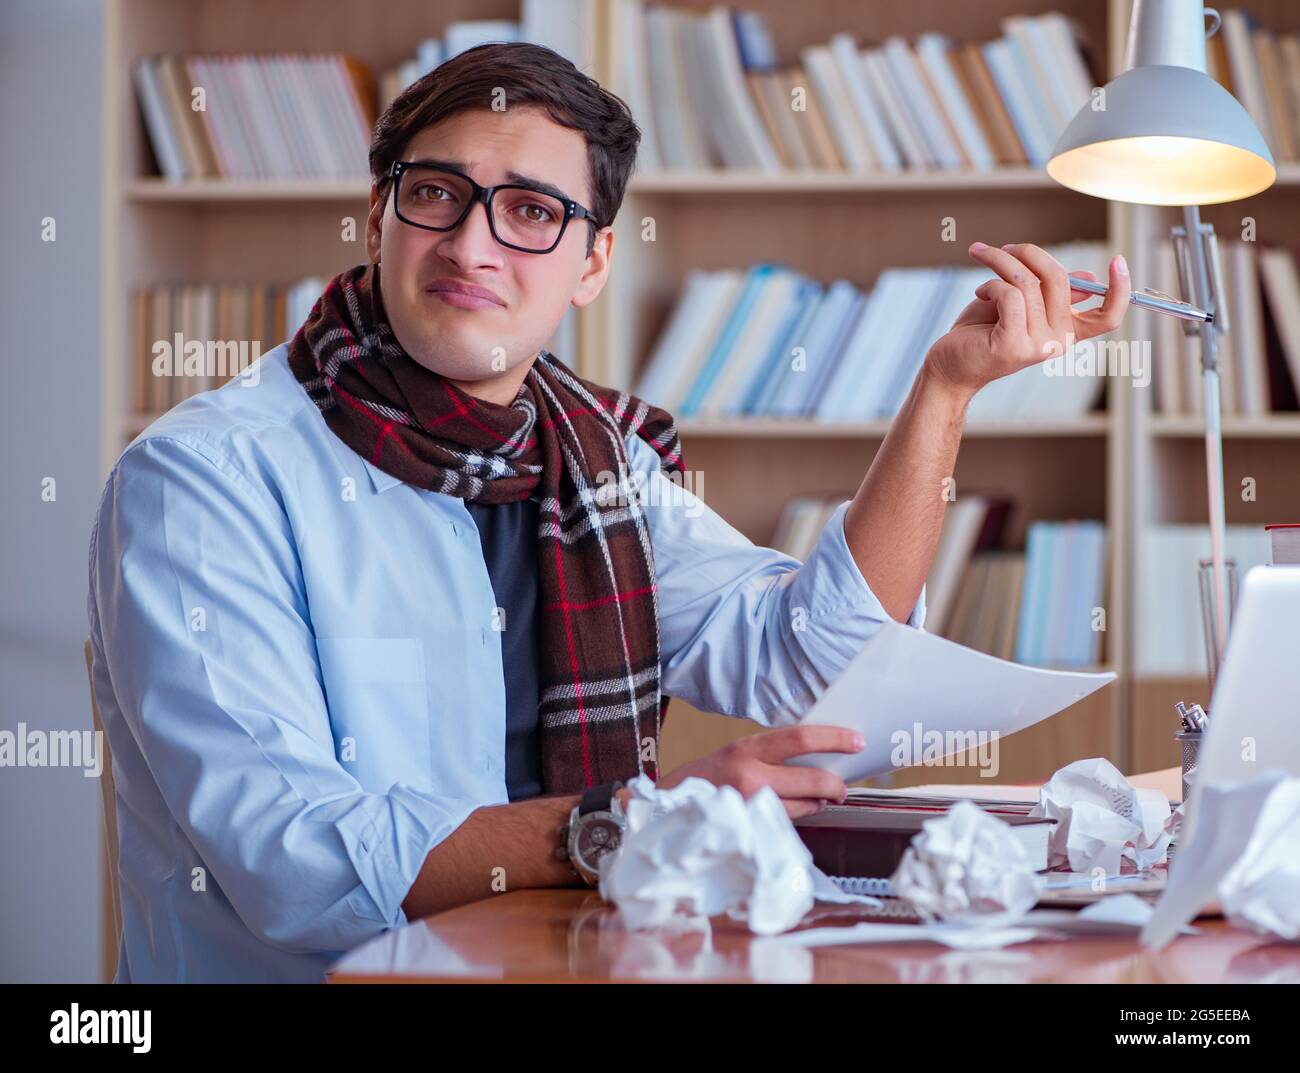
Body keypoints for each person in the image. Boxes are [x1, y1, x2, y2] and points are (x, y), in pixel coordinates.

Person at [86, 42, 1130, 982]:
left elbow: (809, 658)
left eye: (532, 211)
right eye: (437, 194)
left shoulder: (595, 461)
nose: (471, 246)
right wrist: (620, 823)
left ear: (592, 264)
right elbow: (293, 857)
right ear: (377, 216)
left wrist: (943, 391)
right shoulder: (201, 480)